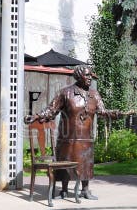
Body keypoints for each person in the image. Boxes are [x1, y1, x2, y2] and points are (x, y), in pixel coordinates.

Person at [25, 65, 131, 200]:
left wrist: (117, 114)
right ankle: (63, 190)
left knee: (86, 164)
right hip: (68, 138)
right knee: (66, 162)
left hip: (86, 138)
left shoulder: (94, 95)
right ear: (79, 76)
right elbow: (51, 110)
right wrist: (36, 116)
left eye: (90, 75)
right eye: (87, 75)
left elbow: (103, 112)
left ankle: (85, 190)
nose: (90, 78)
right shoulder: (65, 93)